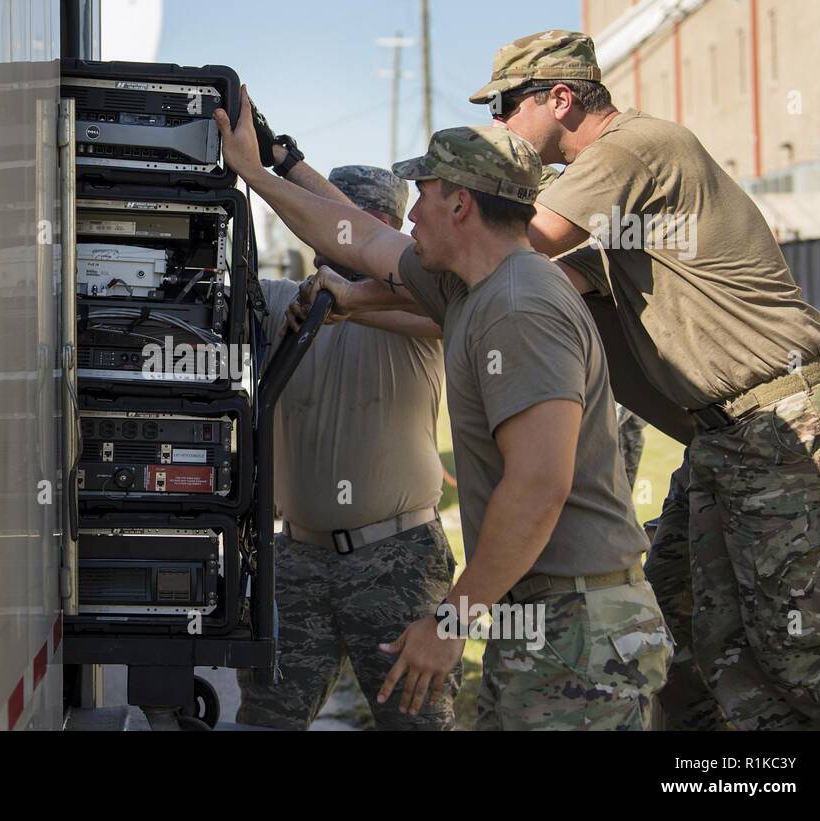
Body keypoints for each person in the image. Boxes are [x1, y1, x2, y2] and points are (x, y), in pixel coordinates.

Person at [213, 103, 672, 728]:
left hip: (578, 626)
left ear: (459, 206)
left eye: (422, 195)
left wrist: (449, 620)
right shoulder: (473, 286)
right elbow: (358, 237)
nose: (409, 216)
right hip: (547, 615)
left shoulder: (519, 307)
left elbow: (538, 486)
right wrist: (264, 169)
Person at [474, 29, 820, 730]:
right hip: (726, 440)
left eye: (505, 103)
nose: (498, 123)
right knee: (688, 633)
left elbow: (518, 246)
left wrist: (447, 225)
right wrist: (355, 296)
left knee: (805, 655)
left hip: (788, 425)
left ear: (559, 98)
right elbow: (530, 281)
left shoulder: (633, 150)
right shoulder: (618, 200)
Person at [233, 155, 456, 730]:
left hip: (397, 560)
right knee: (266, 719)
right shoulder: (283, 304)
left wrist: (355, 291)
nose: (347, 240)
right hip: (297, 560)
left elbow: (436, 304)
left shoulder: (423, 307)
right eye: (333, 223)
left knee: (414, 722)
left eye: (368, 226)